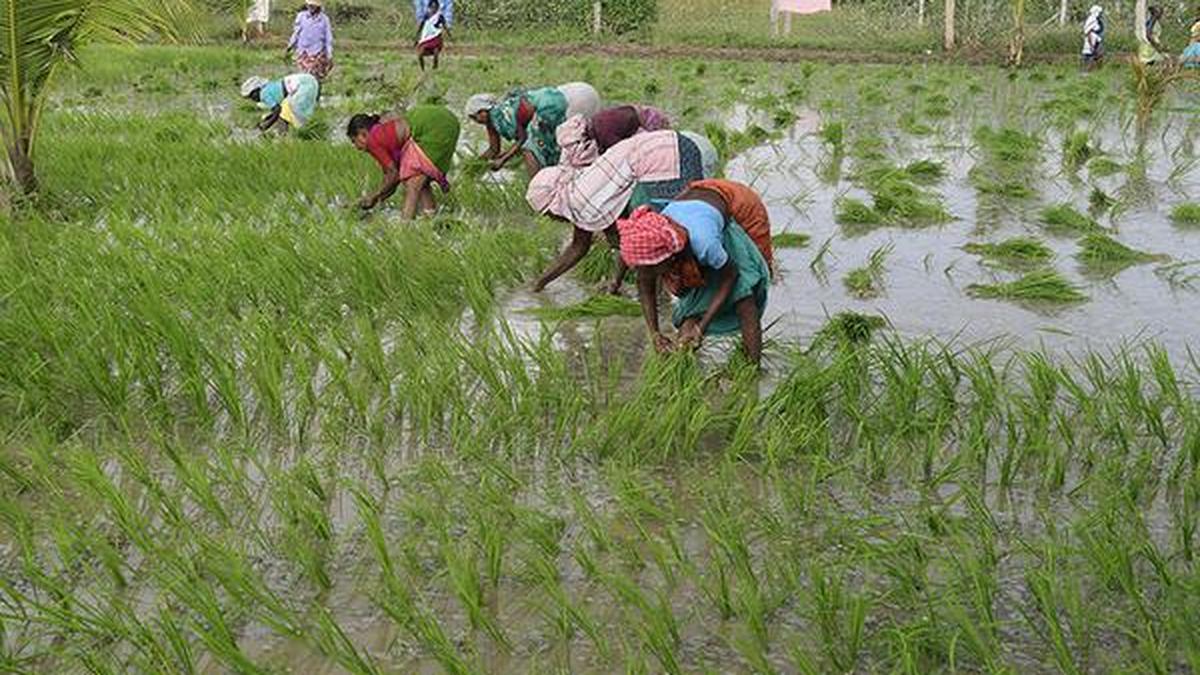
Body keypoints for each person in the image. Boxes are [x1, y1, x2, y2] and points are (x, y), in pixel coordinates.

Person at [525, 124, 715, 293]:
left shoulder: (581, 201)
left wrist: (540, 284)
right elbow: (621, 236)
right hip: (668, 145)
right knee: (653, 235)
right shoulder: (580, 185)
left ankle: (697, 290)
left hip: (669, 159)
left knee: (673, 231)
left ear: (554, 205)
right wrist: (615, 283)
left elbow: (580, 246)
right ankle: (665, 290)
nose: (552, 219)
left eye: (548, 213)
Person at [618, 180, 773, 365]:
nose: (647, 274)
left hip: (738, 205)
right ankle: (684, 359)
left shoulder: (704, 244)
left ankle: (751, 368)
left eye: (651, 270)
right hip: (697, 204)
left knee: (745, 296)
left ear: (669, 258)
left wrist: (703, 325)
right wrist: (655, 333)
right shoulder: (649, 243)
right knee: (694, 297)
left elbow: (731, 275)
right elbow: (644, 285)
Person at [349, 106, 461, 219]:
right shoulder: (383, 133)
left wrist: (373, 196)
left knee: (412, 184)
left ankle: (405, 227)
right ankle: (430, 219)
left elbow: (393, 175)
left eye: (354, 141)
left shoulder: (373, 140)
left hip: (433, 126)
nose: (356, 147)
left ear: (363, 134)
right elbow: (393, 182)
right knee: (422, 183)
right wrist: (375, 199)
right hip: (445, 120)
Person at [464, 82, 601, 176]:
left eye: (474, 117)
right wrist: (474, 167)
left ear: (483, 112)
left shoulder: (502, 115)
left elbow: (522, 139)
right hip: (557, 98)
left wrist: (504, 159)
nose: (475, 122)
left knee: (531, 149)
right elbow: (494, 149)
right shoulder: (492, 122)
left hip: (550, 106)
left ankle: (539, 188)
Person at [240, 73, 320, 133]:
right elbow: (276, 110)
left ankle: (283, 138)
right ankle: (307, 130)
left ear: (257, 90)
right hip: (309, 81)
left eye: (252, 96)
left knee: (284, 116)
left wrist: (267, 125)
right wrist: (268, 119)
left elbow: (277, 110)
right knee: (286, 112)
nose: (252, 99)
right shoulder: (269, 87)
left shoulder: (263, 94)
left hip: (304, 86)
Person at [588, 105, 672, 154]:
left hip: (634, 119)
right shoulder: (598, 123)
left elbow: (622, 151)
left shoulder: (604, 134)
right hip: (632, 113)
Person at [287, 1, 334, 81]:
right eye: (309, 5)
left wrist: (329, 53)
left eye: (313, 5)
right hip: (303, 52)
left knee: (313, 77)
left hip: (316, 53)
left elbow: (328, 38)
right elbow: (296, 32)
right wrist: (290, 45)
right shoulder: (301, 16)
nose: (311, 7)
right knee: (302, 77)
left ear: (318, 7)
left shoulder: (324, 19)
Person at [415, 0, 449, 71]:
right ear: (429, 7)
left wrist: (449, 35)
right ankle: (422, 70)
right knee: (420, 54)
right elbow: (421, 26)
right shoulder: (426, 16)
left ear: (437, 8)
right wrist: (417, 37)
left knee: (436, 52)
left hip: (436, 38)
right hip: (426, 38)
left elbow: (445, 26)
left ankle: (435, 68)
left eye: (435, 7)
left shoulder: (440, 17)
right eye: (432, 7)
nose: (433, 9)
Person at [1082, 5, 1105, 71]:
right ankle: (1087, 70)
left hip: (1096, 39)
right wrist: (1091, 44)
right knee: (1090, 54)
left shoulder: (1096, 20)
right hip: (1092, 39)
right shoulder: (1091, 20)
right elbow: (1088, 32)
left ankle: (1097, 70)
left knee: (1099, 54)